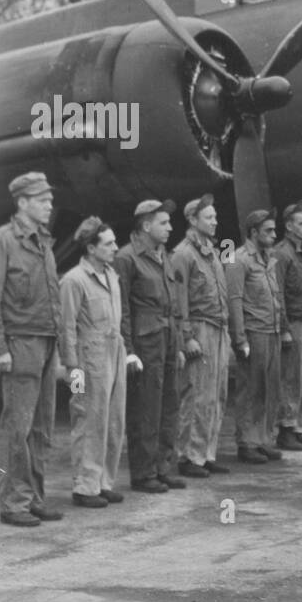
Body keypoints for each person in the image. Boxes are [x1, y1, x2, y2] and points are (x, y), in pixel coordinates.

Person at [0, 171, 65, 526]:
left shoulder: (44, 242)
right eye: (42, 200)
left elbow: (53, 300)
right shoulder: (1, 242)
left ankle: (34, 497)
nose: (49, 205)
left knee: (41, 429)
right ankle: (13, 503)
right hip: (19, 343)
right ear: (22, 202)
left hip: (45, 343)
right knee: (17, 427)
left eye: (50, 199)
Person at [115, 200, 186, 493]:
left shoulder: (164, 257)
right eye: (163, 223)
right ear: (146, 226)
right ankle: (144, 473)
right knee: (146, 408)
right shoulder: (127, 258)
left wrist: (179, 344)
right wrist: (129, 350)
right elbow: (123, 309)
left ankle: (163, 467)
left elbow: (174, 304)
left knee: (169, 404)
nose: (170, 227)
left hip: (167, 339)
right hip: (145, 343)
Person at [58, 217, 128, 509]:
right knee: (88, 418)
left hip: (114, 351)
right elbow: (66, 327)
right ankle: (85, 487)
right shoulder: (74, 280)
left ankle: (103, 482)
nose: (114, 247)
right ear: (90, 248)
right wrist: (72, 369)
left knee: (113, 420)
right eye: (108, 243)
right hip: (87, 359)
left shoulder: (112, 276)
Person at [172, 195, 231, 478]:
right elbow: (179, 299)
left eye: (215, 216)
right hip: (199, 328)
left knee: (217, 395)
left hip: (218, 329)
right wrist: (186, 337)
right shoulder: (183, 254)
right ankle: (187, 456)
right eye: (209, 217)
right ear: (193, 221)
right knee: (196, 395)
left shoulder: (211, 252)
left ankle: (206, 453)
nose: (215, 221)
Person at [226, 209, 287, 464]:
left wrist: (283, 328)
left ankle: (263, 439)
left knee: (269, 388)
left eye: (274, 230)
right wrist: (240, 339)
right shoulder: (239, 260)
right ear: (253, 233)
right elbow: (235, 301)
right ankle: (247, 442)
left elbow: (276, 296)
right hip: (254, 332)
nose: (273, 235)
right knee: (251, 388)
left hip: (271, 330)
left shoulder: (268, 258)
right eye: (268, 231)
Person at [272, 200, 302, 451]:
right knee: (291, 377)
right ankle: (286, 428)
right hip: (294, 322)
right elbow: (278, 293)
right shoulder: (282, 253)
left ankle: (300, 426)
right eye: (301, 223)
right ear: (289, 226)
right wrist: (283, 328)